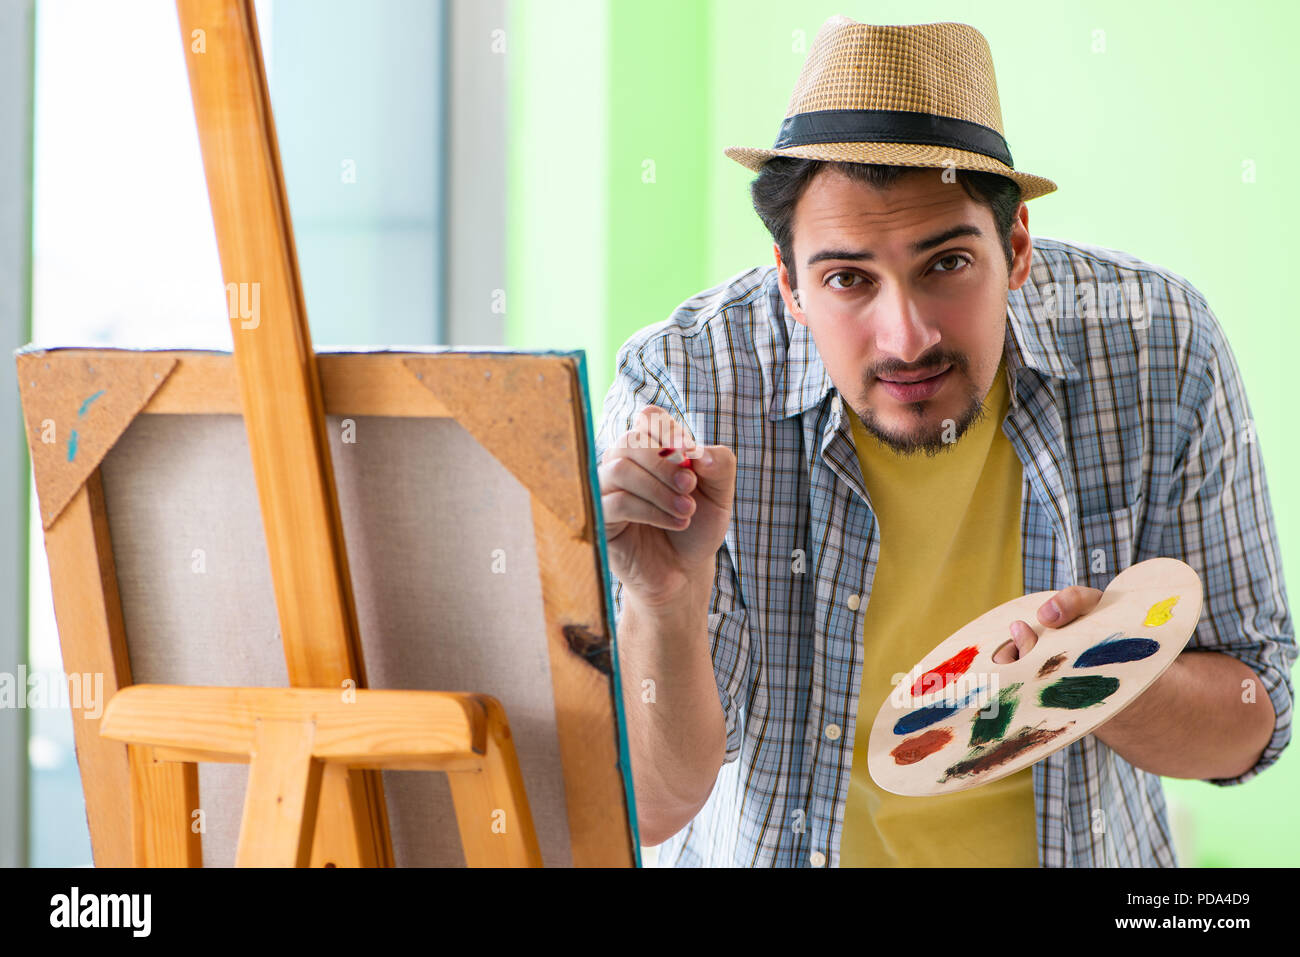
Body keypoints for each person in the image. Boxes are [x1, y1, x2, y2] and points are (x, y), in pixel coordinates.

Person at [593, 16, 1294, 867]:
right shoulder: (689, 383)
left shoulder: (1158, 345)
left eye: (946, 264)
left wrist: (1094, 673)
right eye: (849, 278)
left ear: (1017, 245)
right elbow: (657, 806)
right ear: (788, 282)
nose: (907, 336)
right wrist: (667, 596)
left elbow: (1253, 714)